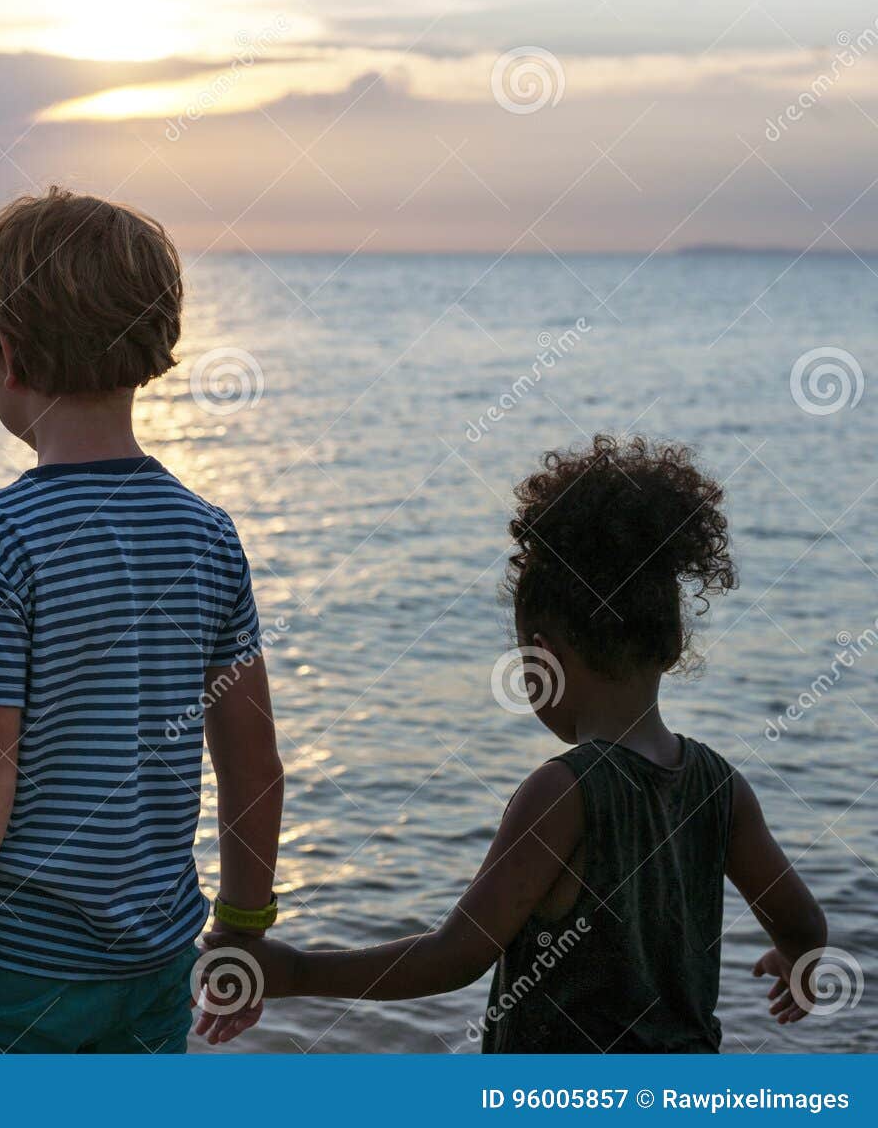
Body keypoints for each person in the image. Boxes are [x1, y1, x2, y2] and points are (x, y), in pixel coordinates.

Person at [201, 435, 827, 1052]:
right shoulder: (720, 786)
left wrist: (297, 972)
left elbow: (455, 957)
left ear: (544, 659)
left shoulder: (565, 792)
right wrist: (796, 959)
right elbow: (804, 922)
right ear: (669, 645)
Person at [0, 188, 285, 1053]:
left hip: (12, 974)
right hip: (153, 966)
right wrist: (242, 927)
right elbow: (253, 758)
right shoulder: (209, 534)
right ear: (152, 348)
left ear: (5, 355)